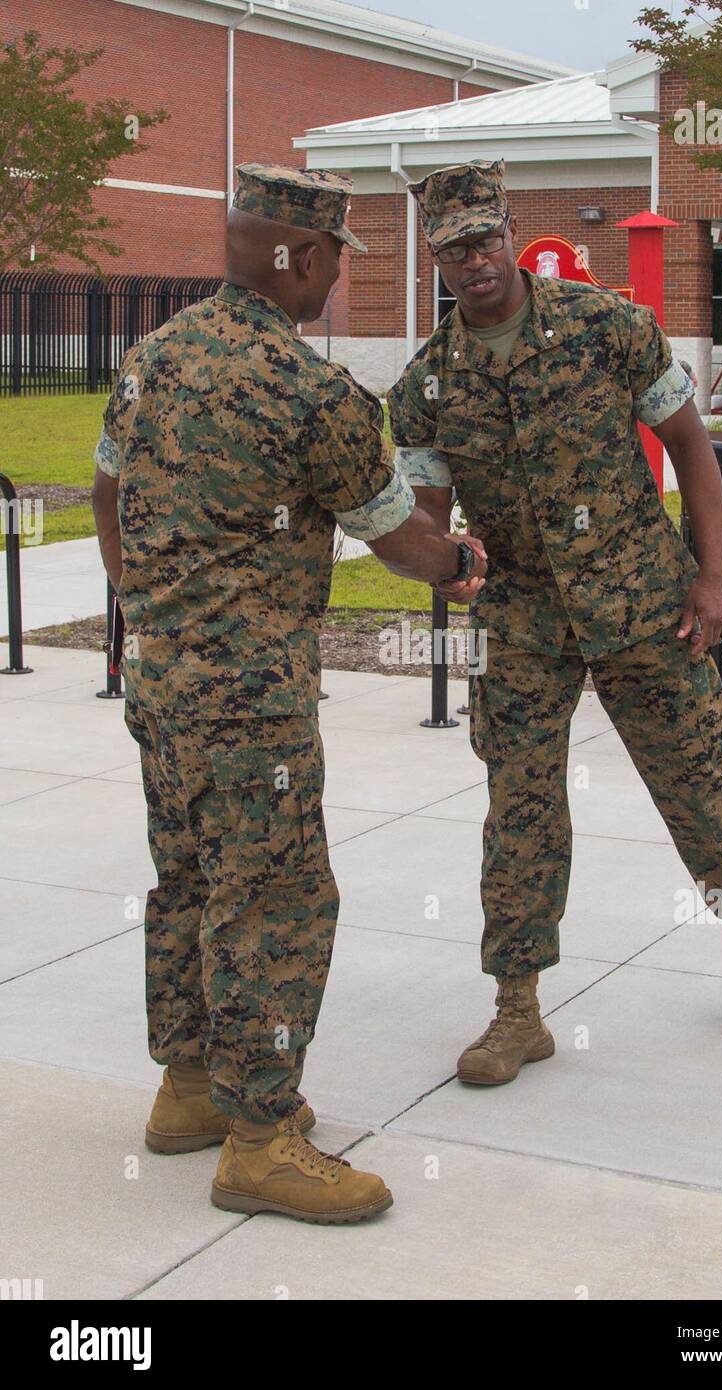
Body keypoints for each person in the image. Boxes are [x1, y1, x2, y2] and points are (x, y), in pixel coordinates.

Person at [91, 162, 486, 1223]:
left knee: (185, 880)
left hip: (160, 678)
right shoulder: (311, 393)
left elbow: (107, 486)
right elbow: (398, 539)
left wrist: (150, 602)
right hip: (252, 702)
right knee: (278, 901)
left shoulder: (151, 359)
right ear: (300, 257)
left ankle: (188, 1091)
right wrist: (457, 566)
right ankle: (260, 1136)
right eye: (335, 264)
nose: (335, 285)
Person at [387, 160, 722, 1088]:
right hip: (522, 620)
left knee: (699, 781)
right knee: (519, 810)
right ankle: (517, 1007)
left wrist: (714, 578)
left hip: (644, 603)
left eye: (485, 240)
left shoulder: (608, 328)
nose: (474, 262)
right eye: (453, 250)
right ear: (437, 260)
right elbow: (429, 510)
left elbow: (692, 446)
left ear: (509, 233)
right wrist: (440, 564)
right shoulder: (425, 386)